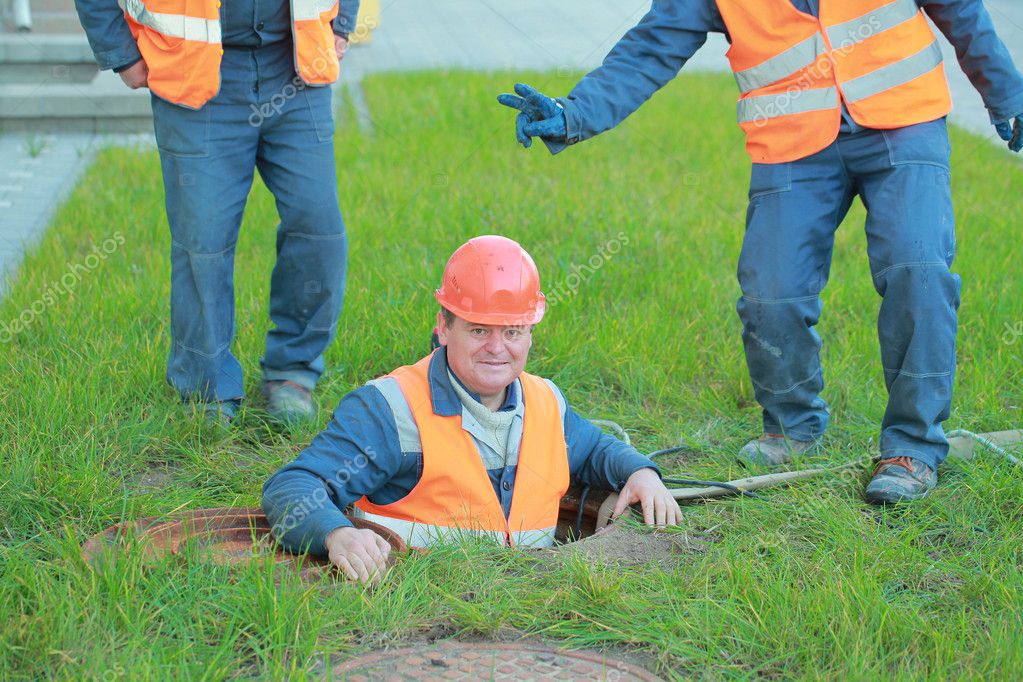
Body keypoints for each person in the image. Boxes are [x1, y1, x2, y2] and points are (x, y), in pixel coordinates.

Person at [498, 0, 1023, 504]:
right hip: (793, 141)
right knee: (771, 292)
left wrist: (1007, 94)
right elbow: (651, 48)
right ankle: (791, 427)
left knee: (919, 268)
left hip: (904, 121)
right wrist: (575, 113)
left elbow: (961, 8)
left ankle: (912, 447)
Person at [263, 236, 683, 584]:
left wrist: (641, 473)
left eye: (513, 331)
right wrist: (335, 534)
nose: (497, 349)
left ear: (531, 334)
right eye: (479, 329)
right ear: (444, 327)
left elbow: (594, 451)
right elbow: (295, 486)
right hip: (420, 609)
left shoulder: (544, 402)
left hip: (536, 608)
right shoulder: (391, 409)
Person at [74, 0, 361, 425]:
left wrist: (343, 24)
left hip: (296, 71)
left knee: (318, 227)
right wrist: (120, 50)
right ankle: (206, 387)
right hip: (194, 75)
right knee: (203, 241)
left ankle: (292, 374)